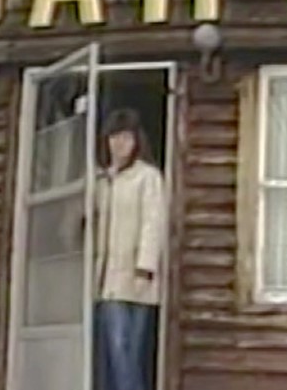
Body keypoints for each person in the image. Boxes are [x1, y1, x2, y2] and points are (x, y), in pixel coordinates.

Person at [92, 108, 165, 390]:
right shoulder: (102, 180)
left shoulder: (147, 177)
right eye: (114, 137)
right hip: (105, 279)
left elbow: (153, 221)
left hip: (134, 278)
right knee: (109, 352)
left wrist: (144, 267)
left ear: (136, 141)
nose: (119, 144)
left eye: (126, 137)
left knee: (127, 351)